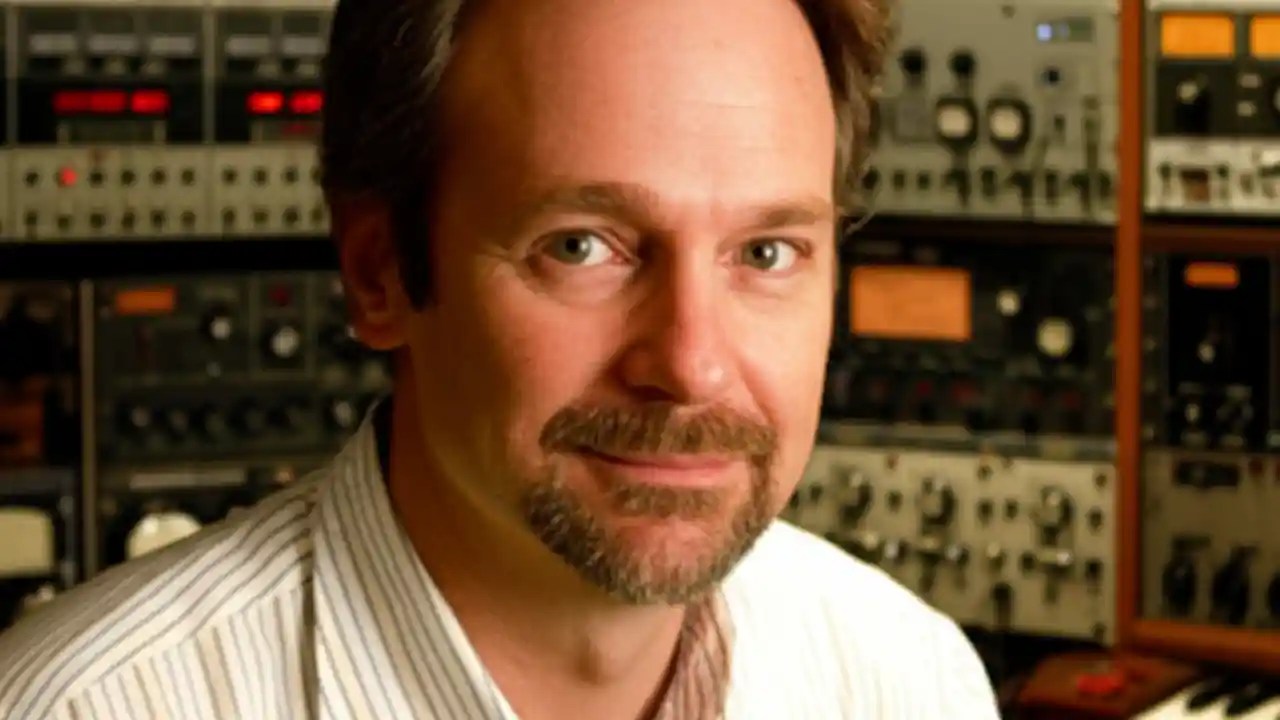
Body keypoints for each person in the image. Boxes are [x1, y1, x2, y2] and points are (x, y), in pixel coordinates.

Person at [0, 0, 1001, 717]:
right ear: (380, 274)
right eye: (582, 246)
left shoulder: (910, 681)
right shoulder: (80, 706)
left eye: (767, 253)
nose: (691, 365)